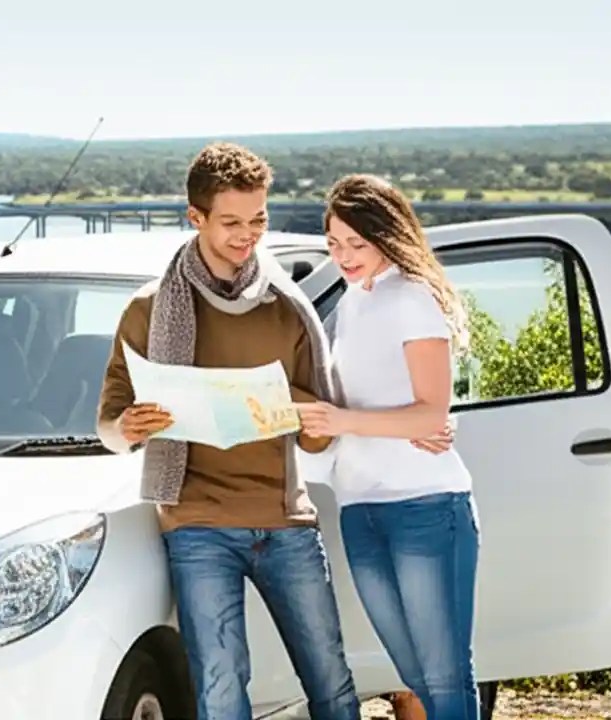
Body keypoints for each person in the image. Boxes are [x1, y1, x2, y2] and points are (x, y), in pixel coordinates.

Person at [95, 141, 364, 720]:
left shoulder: (288, 309)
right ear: (195, 218)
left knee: (331, 680)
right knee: (219, 690)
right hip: (198, 527)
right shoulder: (149, 309)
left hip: (284, 521)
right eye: (233, 222)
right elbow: (108, 429)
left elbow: (321, 436)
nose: (249, 236)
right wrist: (129, 424)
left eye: (259, 219)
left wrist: (296, 410)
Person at [296, 173, 481, 720]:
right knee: (414, 674)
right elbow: (378, 407)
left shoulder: (411, 298)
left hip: (426, 506)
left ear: (387, 235)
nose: (345, 256)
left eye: (357, 243)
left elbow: (430, 411)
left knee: (446, 678)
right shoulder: (354, 301)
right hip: (361, 510)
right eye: (334, 244)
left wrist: (344, 420)